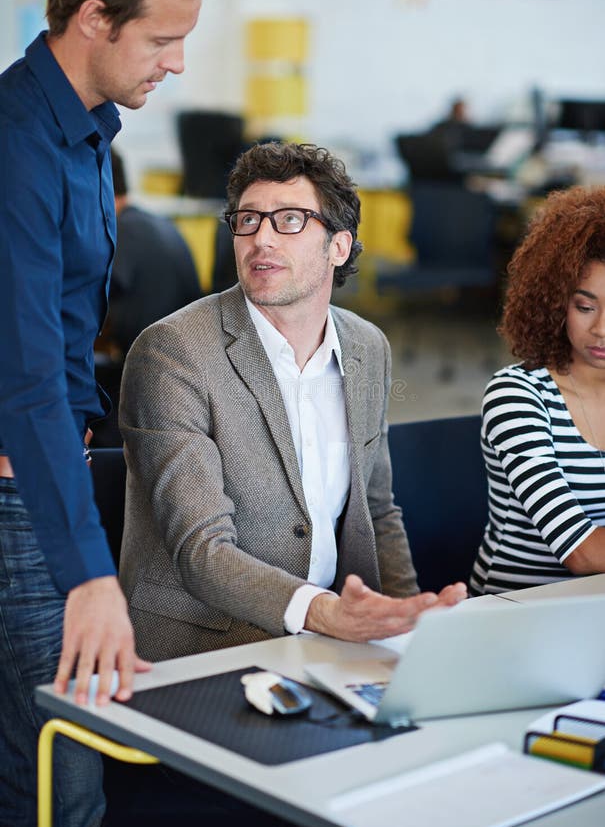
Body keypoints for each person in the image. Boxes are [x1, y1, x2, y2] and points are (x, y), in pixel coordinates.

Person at [0, 0, 210, 825]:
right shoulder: (17, 145)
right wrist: (87, 575)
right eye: (162, 40)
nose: (178, 62)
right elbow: (26, 377)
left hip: (51, 473)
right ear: (94, 17)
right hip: (21, 489)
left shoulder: (86, 133)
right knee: (62, 785)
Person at [118, 141, 467, 663]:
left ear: (339, 246)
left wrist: (411, 626)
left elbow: (376, 511)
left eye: (289, 220)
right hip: (207, 647)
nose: (261, 238)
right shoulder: (173, 351)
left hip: (331, 639)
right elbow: (200, 549)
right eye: (248, 220)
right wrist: (325, 613)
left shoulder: (367, 347)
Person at [470, 185, 605, 596]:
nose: (601, 329)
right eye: (585, 307)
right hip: (517, 611)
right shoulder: (517, 396)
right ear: (556, 302)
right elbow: (581, 552)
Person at [107, 148, 202, 356]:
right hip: (183, 354)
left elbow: (92, 299)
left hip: (152, 361)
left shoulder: (124, 230)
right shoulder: (159, 223)